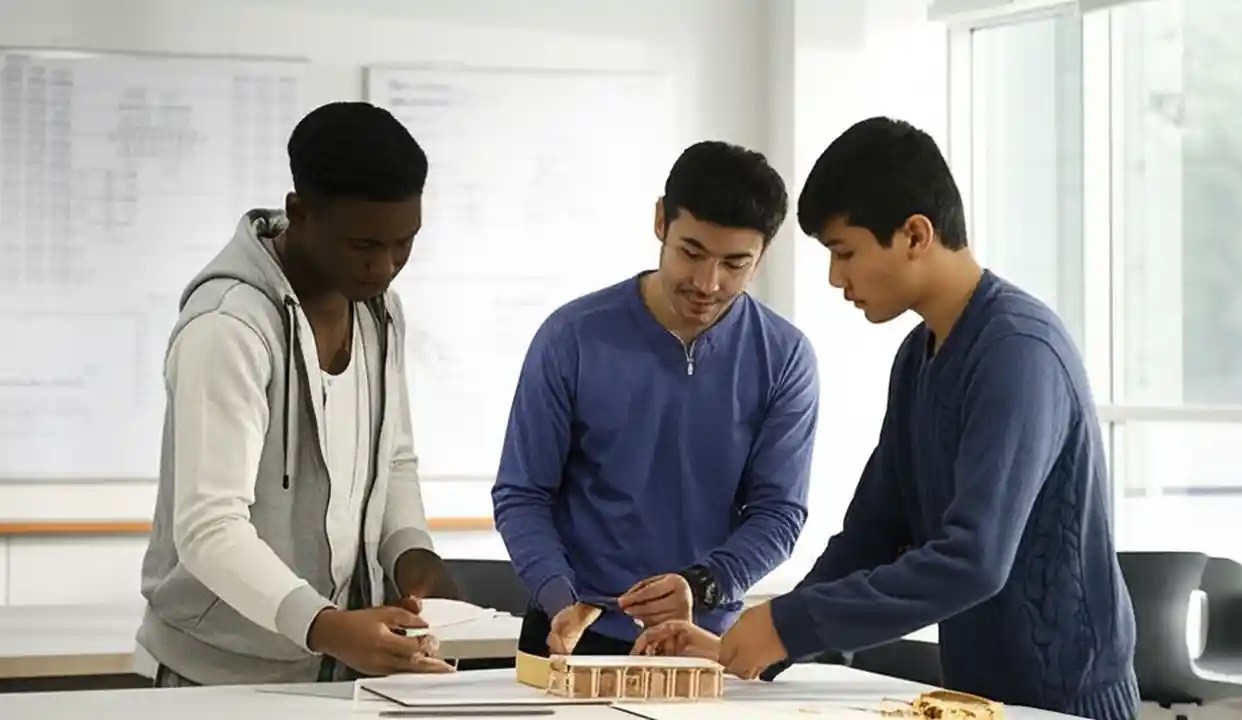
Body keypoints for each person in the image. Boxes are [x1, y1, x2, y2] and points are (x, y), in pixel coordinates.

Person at [632, 118, 1139, 720]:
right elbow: (874, 532)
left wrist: (790, 625)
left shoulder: (1017, 351)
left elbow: (972, 560)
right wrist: (759, 645)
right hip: (981, 698)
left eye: (845, 252)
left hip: (1065, 705)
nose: (835, 277)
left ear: (915, 235)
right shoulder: (918, 356)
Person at [137, 101, 461, 686]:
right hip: (217, 677)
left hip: (334, 670)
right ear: (299, 213)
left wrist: (412, 554)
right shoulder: (227, 326)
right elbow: (209, 527)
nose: (384, 268)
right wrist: (329, 625)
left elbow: (395, 458)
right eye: (363, 245)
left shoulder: (380, 313)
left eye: (404, 243)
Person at [492, 140, 819, 658]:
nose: (707, 283)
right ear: (661, 220)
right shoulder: (572, 337)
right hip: (570, 632)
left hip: (701, 641)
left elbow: (779, 514)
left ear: (764, 255)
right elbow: (522, 493)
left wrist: (703, 584)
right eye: (691, 253)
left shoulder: (784, 357)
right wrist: (559, 596)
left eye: (735, 263)